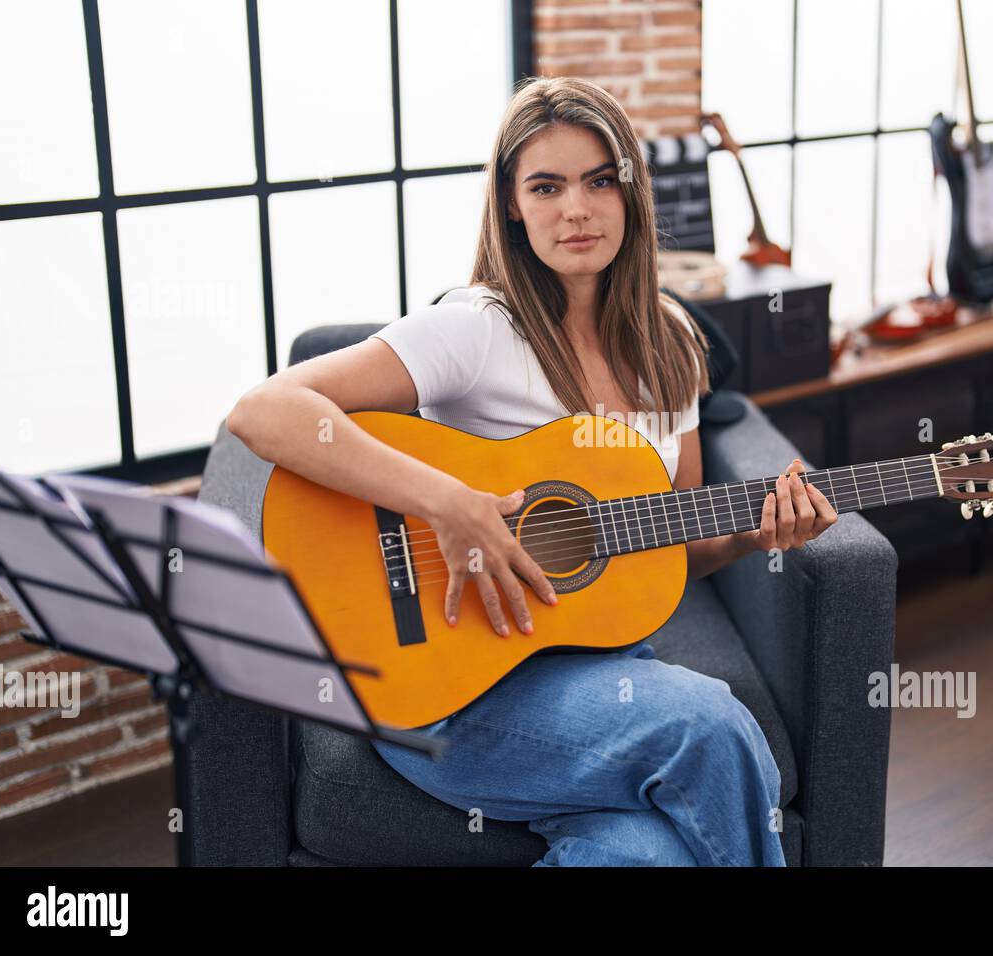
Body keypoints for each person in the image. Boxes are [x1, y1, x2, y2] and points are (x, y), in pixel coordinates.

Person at [226, 76, 838, 866]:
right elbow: (263, 411)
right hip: (444, 691)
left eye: (598, 182)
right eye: (546, 187)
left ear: (631, 193)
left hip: (598, 676)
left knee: (642, 856)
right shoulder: (477, 330)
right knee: (710, 725)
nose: (576, 210)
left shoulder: (673, 343)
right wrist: (448, 501)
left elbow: (675, 545)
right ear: (512, 202)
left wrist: (756, 539)